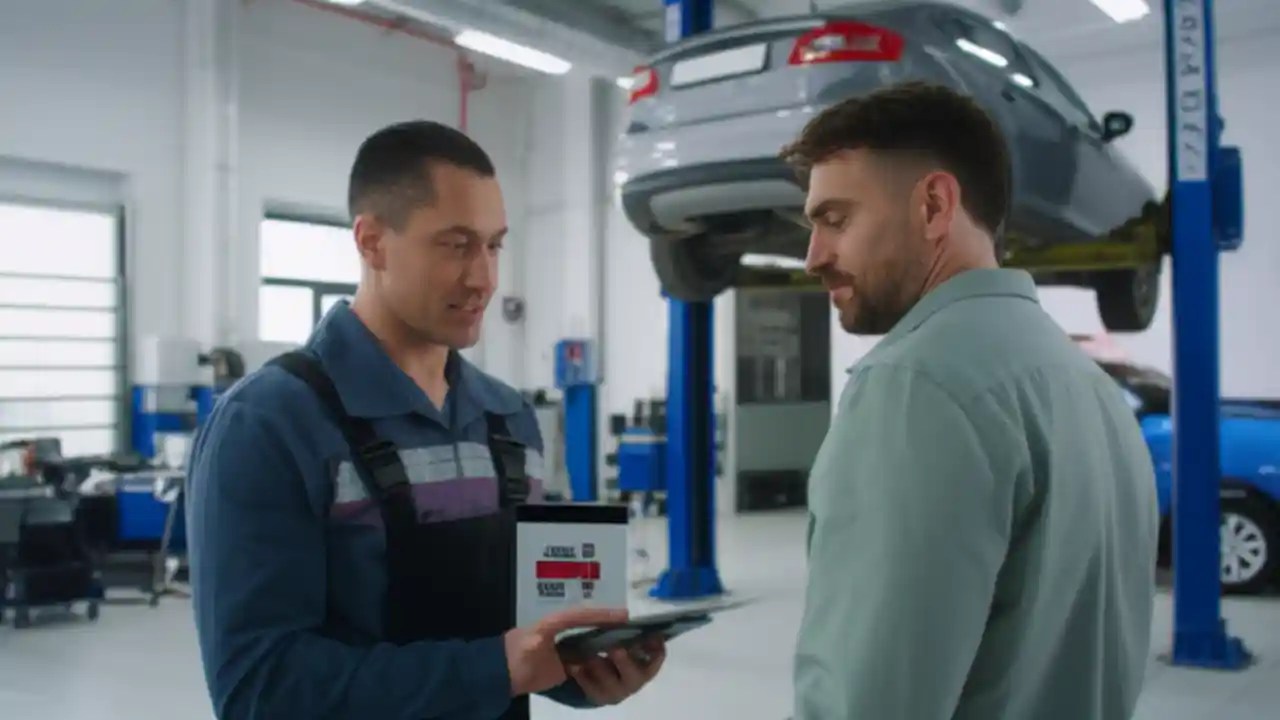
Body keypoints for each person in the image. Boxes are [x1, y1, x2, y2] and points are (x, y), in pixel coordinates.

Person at [185, 120, 665, 719]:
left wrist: (581, 672)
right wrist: (495, 668)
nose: (484, 278)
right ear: (372, 243)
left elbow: (523, 639)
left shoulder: (508, 419)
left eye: (494, 245)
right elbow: (258, 690)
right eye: (456, 244)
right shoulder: (269, 424)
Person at [779, 82, 1159, 719]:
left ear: (933, 205)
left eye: (836, 219)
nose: (814, 256)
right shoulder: (1086, 384)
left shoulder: (915, 387)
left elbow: (869, 703)